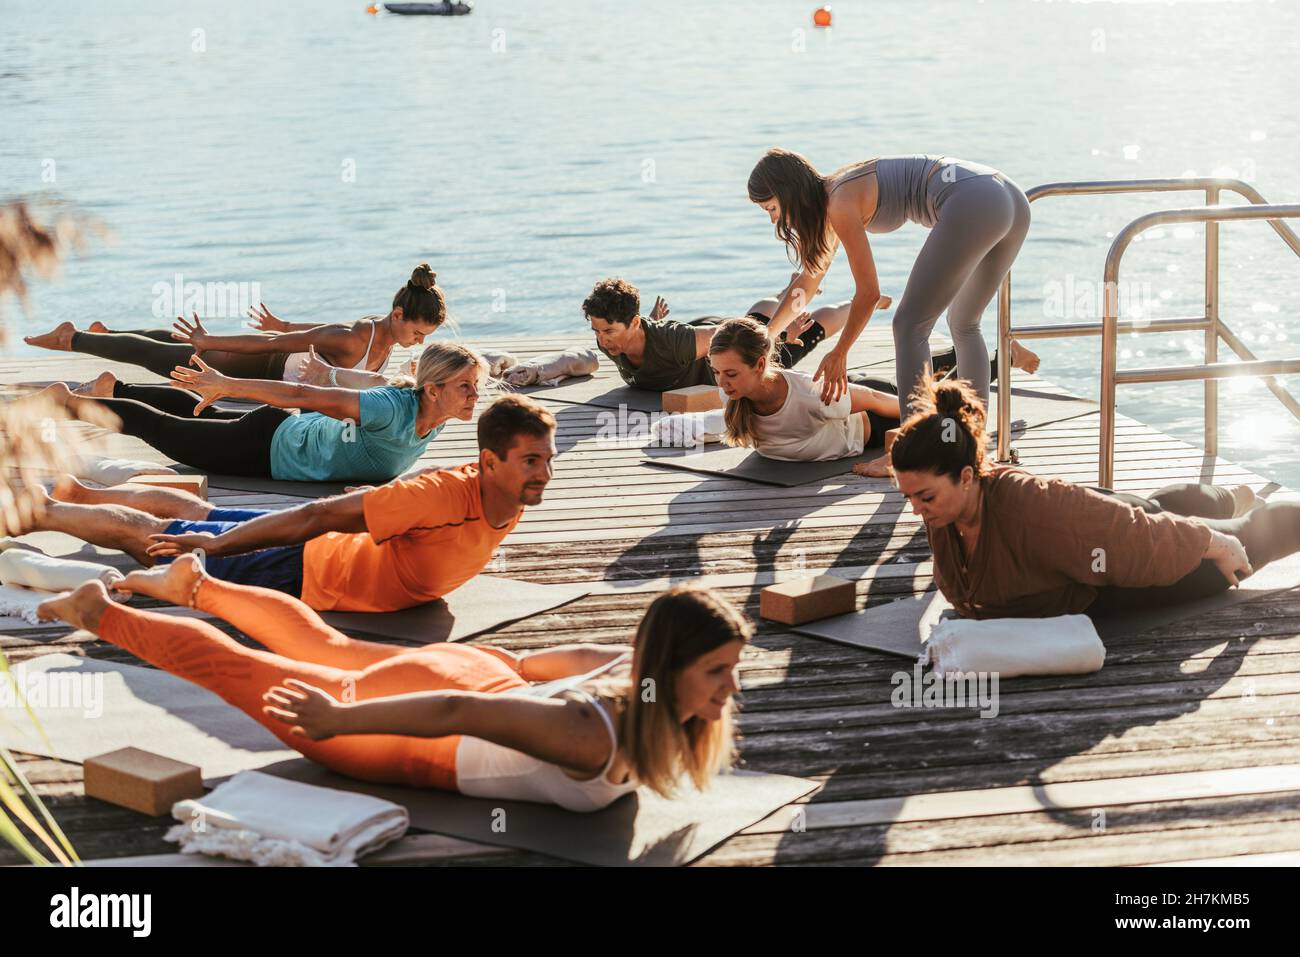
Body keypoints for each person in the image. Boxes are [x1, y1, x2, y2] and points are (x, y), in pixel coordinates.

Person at [36, 567, 745, 811]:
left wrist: (518, 667)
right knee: (243, 673)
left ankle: (194, 584)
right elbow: (454, 713)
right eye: (717, 670)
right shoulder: (597, 733)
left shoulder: (639, 677)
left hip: (483, 675)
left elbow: (541, 664)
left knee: (330, 647)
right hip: (417, 731)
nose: (731, 687)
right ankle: (99, 611)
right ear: (671, 664)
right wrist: (340, 720)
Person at [25, 394, 557, 612]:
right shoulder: (444, 494)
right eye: (531, 461)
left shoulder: (501, 493)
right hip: (304, 567)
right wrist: (218, 547)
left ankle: (79, 496)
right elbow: (316, 515)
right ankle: (36, 510)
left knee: (197, 514)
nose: (545, 475)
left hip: (312, 548)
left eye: (547, 459)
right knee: (160, 547)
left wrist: (375, 499)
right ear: (490, 461)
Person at [888, 374, 1300, 621]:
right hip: (1100, 523)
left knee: (1254, 535)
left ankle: (1232, 518)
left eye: (924, 496)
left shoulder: (1030, 506)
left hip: (1118, 543)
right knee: (1156, 509)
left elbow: (1131, 534)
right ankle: (1229, 498)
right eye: (908, 497)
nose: (916, 509)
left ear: (965, 477)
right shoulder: (947, 510)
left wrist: (1215, 543)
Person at [747, 150, 1031, 414]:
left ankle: (915, 445)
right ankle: (969, 441)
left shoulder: (839, 204)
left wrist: (839, 352)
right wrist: (769, 335)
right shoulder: (836, 195)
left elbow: (869, 294)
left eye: (772, 208)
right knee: (964, 323)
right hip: (1008, 198)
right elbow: (807, 284)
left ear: (788, 193)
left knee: (909, 325)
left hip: (976, 201)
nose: (774, 220)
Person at [37, 339, 484, 484]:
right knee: (158, 428)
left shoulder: (434, 417)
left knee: (197, 415)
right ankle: (65, 403)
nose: (474, 396)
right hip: (265, 448)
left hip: (280, 434)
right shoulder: (390, 410)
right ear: (432, 389)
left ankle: (116, 387)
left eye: (476, 387)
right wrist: (230, 384)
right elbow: (300, 395)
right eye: (466, 387)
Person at [706, 316, 1038, 470]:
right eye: (716, 372)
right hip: (848, 394)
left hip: (872, 415)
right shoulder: (732, 394)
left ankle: (1007, 357)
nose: (722, 382)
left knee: (935, 392)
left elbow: (878, 401)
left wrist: (932, 419)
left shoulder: (810, 395)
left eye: (730, 373)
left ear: (760, 364)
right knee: (921, 373)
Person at [23, 264, 447, 383]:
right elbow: (270, 348)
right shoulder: (357, 340)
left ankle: (108, 334)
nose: (418, 342)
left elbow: (320, 328)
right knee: (161, 357)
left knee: (173, 346)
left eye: (424, 338)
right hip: (249, 363)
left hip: (269, 359)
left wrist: (282, 324)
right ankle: (72, 338)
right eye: (417, 333)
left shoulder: (384, 337)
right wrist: (211, 340)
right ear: (397, 316)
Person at [583, 276, 894, 393]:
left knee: (813, 331)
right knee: (768, 311)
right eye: (597, 331)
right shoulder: (613, 341)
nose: (603, 340)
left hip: (741, 346)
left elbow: (731, 335)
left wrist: (783, 334)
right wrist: (647, 323)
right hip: (718, 331)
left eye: (609, 330)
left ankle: (864, 301)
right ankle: (786, 295)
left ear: (633, 323)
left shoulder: (672, 342)